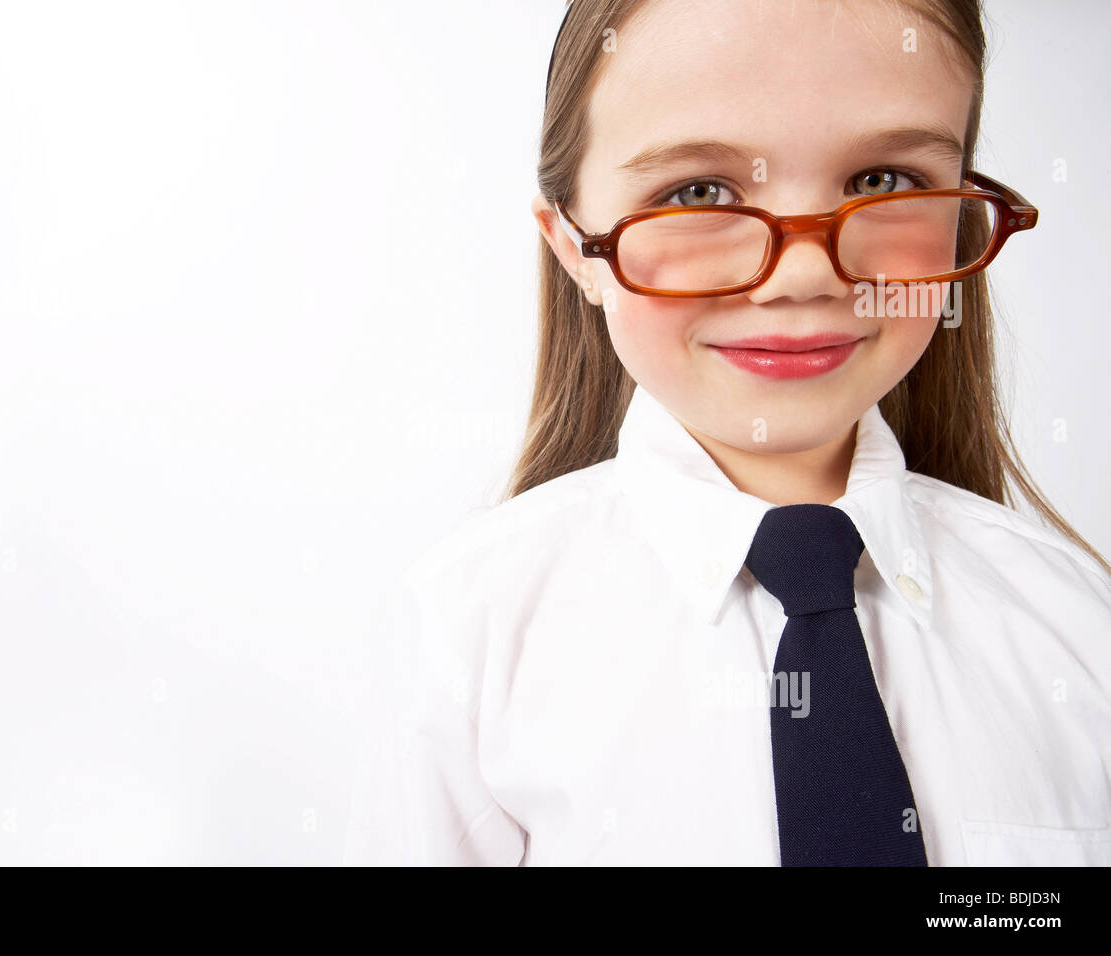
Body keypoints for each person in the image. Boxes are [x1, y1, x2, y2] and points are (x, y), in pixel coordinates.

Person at [341, 0, 1111, 866]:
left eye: (883, 181)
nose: (808, 274)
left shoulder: (1078, 630)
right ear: (571, 247)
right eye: (698, 191)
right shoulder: (466, 639)